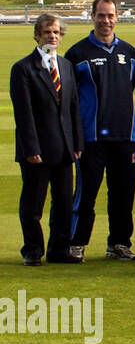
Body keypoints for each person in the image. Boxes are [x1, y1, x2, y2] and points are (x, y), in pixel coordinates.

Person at [65, 0, 135, 261]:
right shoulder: (77, 54)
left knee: (123, 195)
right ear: (92, 16)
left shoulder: (130, 52)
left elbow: (131, 88)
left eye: (110, 15)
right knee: (86, 195)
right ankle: (76, 243)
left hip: (125, 137)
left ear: (117, 16)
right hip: (91, 138)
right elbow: (70, 99)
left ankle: (119, 243)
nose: (106, 21)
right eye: (101, 15)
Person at [12, 14, 83, 265]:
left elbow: (73, 107)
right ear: (36, 35)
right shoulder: (23, 69)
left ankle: (59, 250)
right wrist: (31, 148)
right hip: (37, 149)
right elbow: (24, 113)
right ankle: (32, 250)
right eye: (46, 32)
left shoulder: (65, 66)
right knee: (33, 205)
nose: (52, 36)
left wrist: (77, 143)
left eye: (56, 32)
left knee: (63, 203)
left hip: (64, 147)